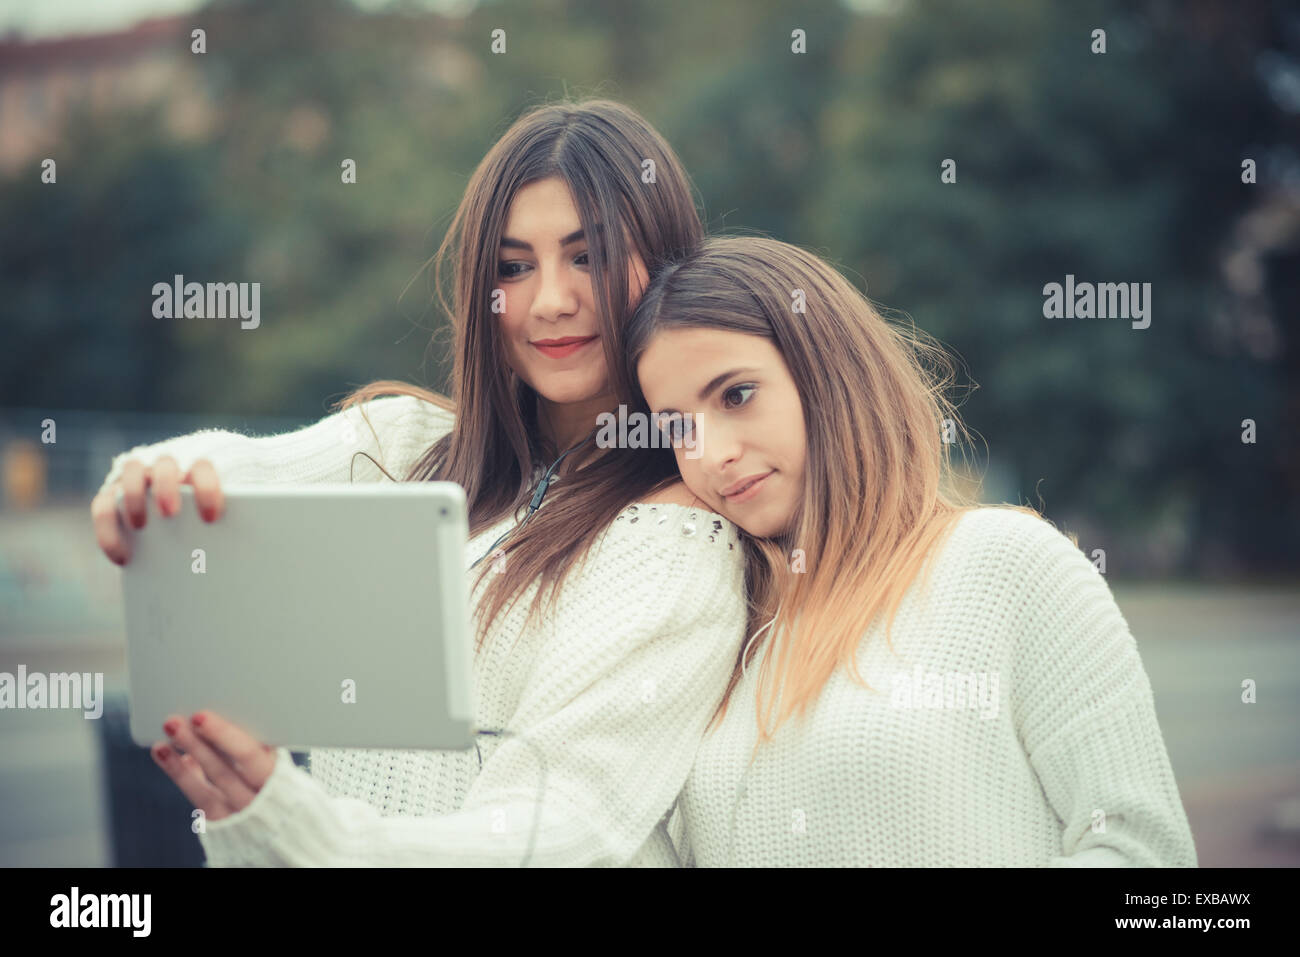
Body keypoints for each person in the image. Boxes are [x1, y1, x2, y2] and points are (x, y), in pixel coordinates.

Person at [90, 99, 748, 866]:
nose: (550, 300)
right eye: (513, 266)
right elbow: (227, 471)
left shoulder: (676, 541)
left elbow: (563, 827)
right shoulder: (403, 444)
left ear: (665, 264)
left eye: (588, 255)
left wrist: (303, 833)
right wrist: (141, 483)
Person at [628, 235, 1198, 866]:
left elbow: (1145, 854)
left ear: (828, 373)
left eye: (736, 395)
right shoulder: (716, 627)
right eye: (679, 427)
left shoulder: (1006, 563)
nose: (713, 454)